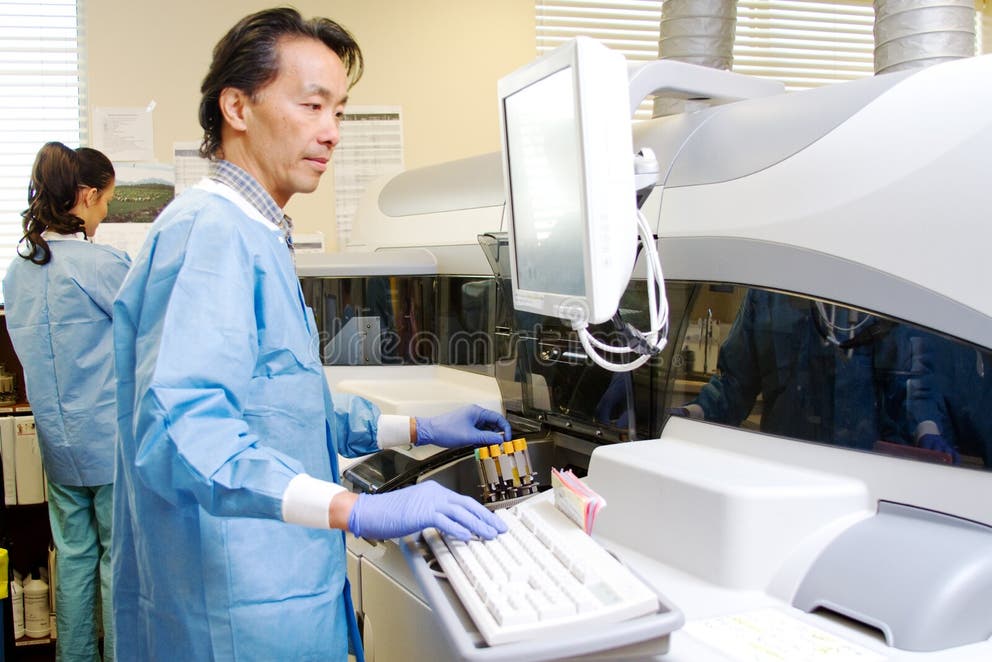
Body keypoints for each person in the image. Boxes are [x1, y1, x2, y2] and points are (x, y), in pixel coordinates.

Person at [110, 8, 509, 661]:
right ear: (236, 107)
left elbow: (282, 410)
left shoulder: (256, 232)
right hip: (234, 607)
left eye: (340, 111)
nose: (330, 132)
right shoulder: (212, 233)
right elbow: (186, 435)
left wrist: (418, 429)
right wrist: (355, 510)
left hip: (276, 583)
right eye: (311, 105)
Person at [2, 141, 128, 662]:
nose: (104, 214)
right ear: (86, 195)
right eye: (105, 203)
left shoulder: (18, 273)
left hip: (57, 445)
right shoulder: (102, 265)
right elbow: (149, 335)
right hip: (110, 445)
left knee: (72, 559)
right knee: (115, 564)